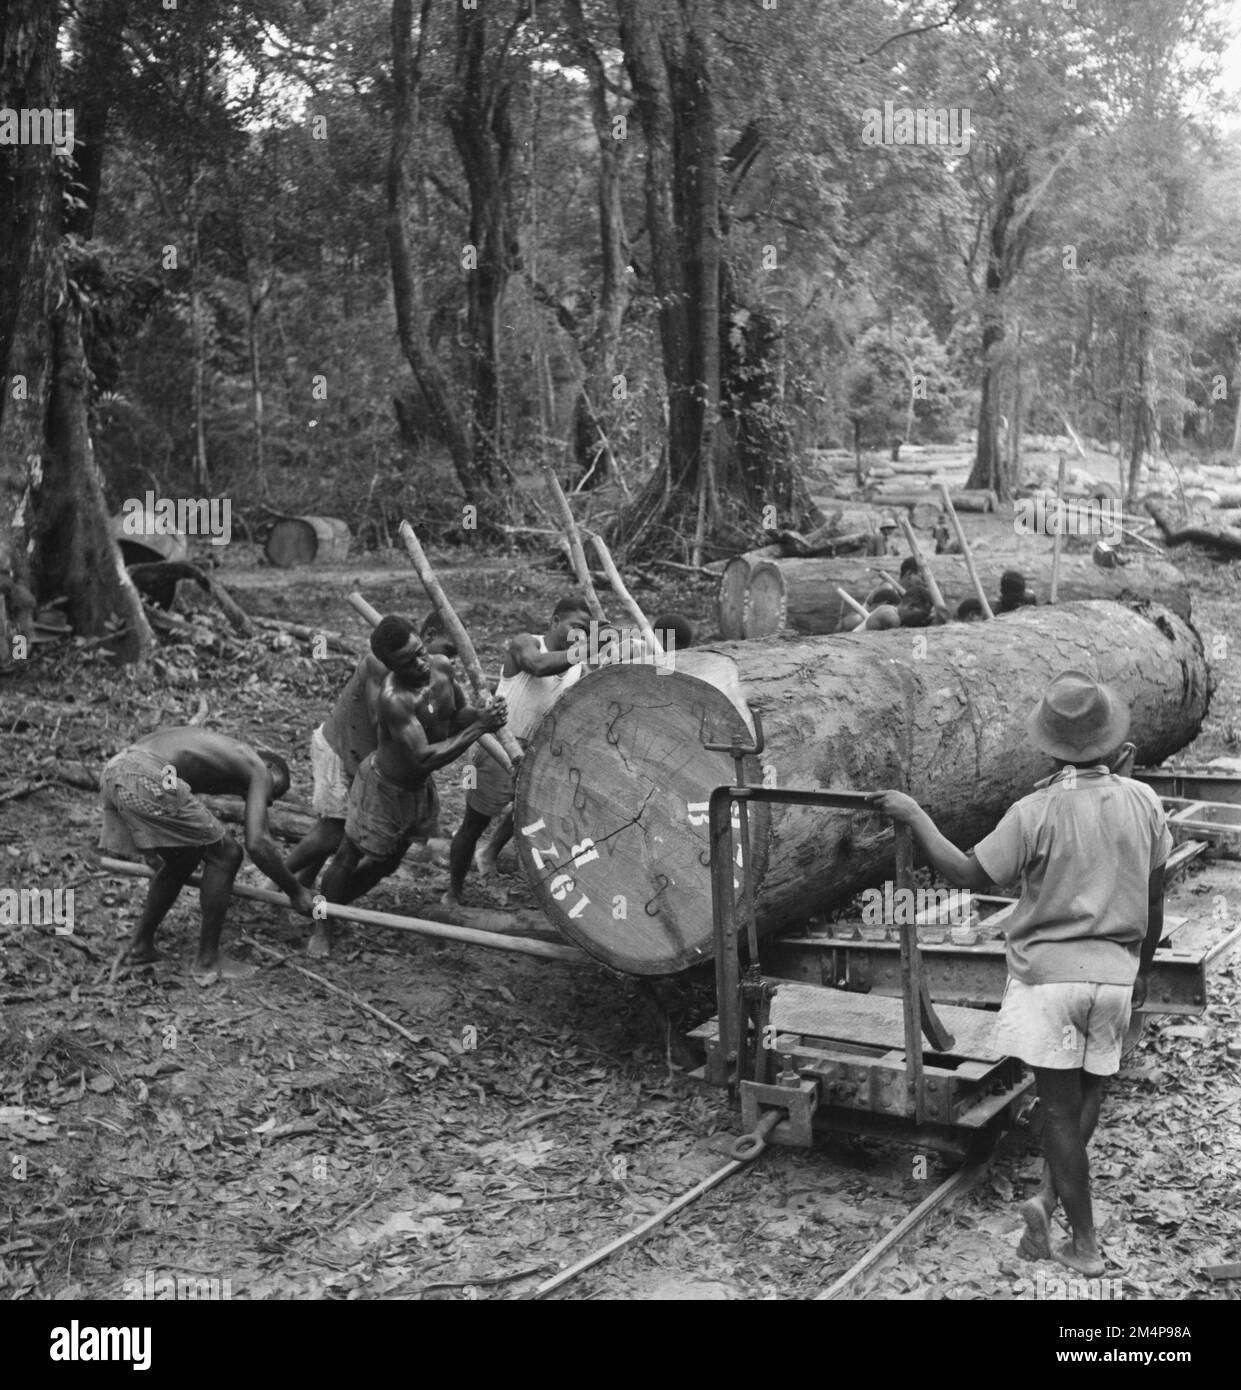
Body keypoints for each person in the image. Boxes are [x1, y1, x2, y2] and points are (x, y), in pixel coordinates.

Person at [870, 671, 1169, 1278]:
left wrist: (914, 813)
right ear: (1112, 744)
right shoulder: (1145, 802)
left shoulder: (1033, 811)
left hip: (1050, 983)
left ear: (1049, 744)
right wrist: (1143, 970)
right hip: (1114, 978)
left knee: (1057, 1112)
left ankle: (1082, 1243)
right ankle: (1048, 1200)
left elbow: (968, 873)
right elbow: (1155, 897)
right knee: (1090, 1095)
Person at [315, 619, 507, 954]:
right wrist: (480, 728)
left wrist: (482, 714)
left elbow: (457, 715)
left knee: (387, 862)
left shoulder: (443, 668)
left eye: (420, 653)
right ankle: (322, 925)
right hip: (383, 788)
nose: (420, 663)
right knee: (349, 855)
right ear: (391, 667)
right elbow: (422, 757)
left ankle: (336, 904)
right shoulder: (394, 699)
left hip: (417, 791)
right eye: (407, 662)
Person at [100, 728, 314, 982]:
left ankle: (139, 947)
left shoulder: (216, 758)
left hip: (115, 771)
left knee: (186, 858)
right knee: (228, 854)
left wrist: (152, 853)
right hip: (147, 773)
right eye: (274, 790)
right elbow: (258, 843)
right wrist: (296, 891)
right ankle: (208, 960)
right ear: (269, 766)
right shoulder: (255, 765)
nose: (267, 801)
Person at [445, 597, 594, 902]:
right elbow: (537, 667)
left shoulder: (577, 666)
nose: (580, 635)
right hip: (500, 744)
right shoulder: (527, 643)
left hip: (537, 753)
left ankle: (489, 853)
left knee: (529, 811)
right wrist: (588, 648)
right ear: (554, 622)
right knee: (474, 823)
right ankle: (453, 892)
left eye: (585, 631)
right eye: (575, 626)